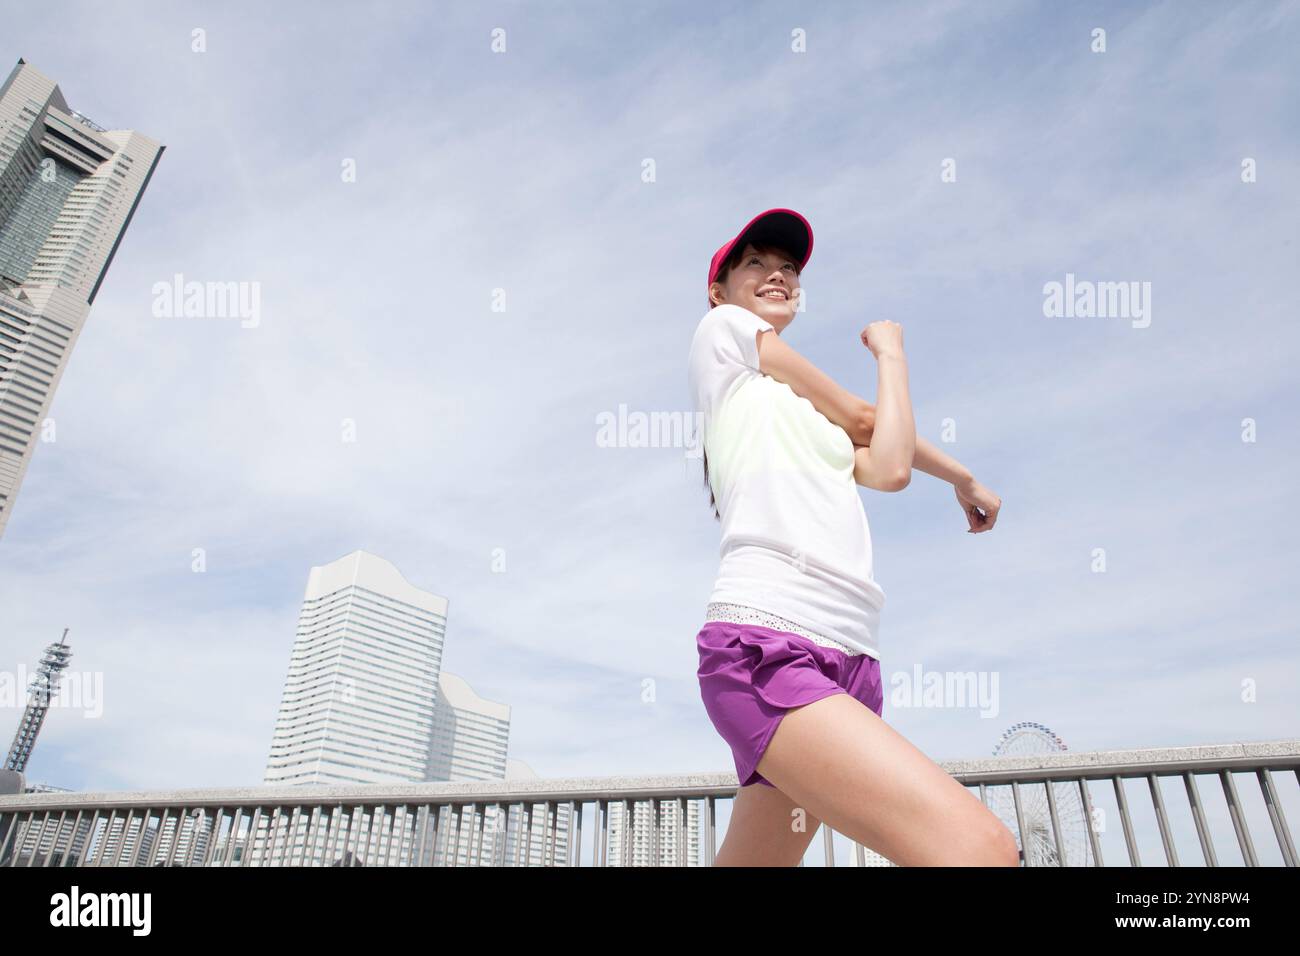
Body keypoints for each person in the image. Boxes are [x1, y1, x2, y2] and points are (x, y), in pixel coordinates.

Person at [688, 208, 1018, 866]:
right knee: (980, 849)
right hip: (768, 645)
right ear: (720, 289)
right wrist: (890, 351)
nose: (778, 274)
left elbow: (889, 462)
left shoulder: (808, 420)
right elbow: (871, 420)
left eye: (789, 268)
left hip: (853, 660)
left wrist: (963, 477)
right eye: (756, 262)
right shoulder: (722, 333)